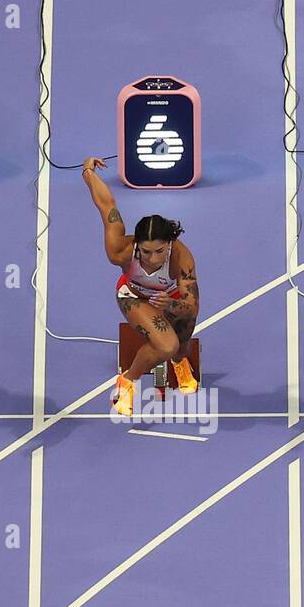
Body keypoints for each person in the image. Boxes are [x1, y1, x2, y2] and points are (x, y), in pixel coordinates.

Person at [82, 156, 199, 417]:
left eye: (159, 251)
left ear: (169, 243)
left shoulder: (182, 257)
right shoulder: (120, 251)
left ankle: (180, 361)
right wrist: (88, 171)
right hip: (134, 296)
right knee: (166, 345)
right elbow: (106, 205)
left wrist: (171, 304)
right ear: (137, 246)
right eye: (146, 252)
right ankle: (127, 381)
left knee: (182, 337)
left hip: (171, 297)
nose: (152, 258)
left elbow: (191, 305)